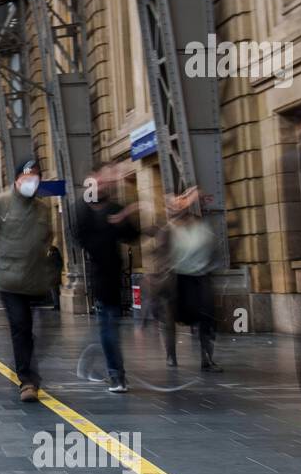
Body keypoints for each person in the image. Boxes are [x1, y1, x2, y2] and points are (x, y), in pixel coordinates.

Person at [0, 160, 54, 402]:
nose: (32, 182)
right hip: (9, 280)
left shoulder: (42, 209)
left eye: (36, 177)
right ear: (17, 179)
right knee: (21, 327)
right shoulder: (0, 203)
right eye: (27, 177)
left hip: (36, 279)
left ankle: (26, 364)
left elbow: (48, 237)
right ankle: (27, 381)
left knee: (42, 329)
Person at [73, 163, 141, 393]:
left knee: (110, 326)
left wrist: (125, 214)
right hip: (101, 277)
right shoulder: (82, 209)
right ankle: (116, 375)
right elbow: (86, 241)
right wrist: (112, 219)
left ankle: (94, 355)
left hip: (115, 275)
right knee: (109, 325)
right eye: (102, 180)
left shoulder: (114, 206)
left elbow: (133, 236)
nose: (106, 184)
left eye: (110, 181)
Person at [153, 187, 222, 373]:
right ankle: (170, 355)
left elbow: (214, 248)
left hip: (200, 278)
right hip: (176, 280)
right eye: (169, 203)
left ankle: (207, 359)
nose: (173, 206)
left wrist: (210, 266)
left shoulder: (200, 225)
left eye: (177, 201)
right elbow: (160, 257)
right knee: (170, 318)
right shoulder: (167, 230)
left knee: (207, 317)